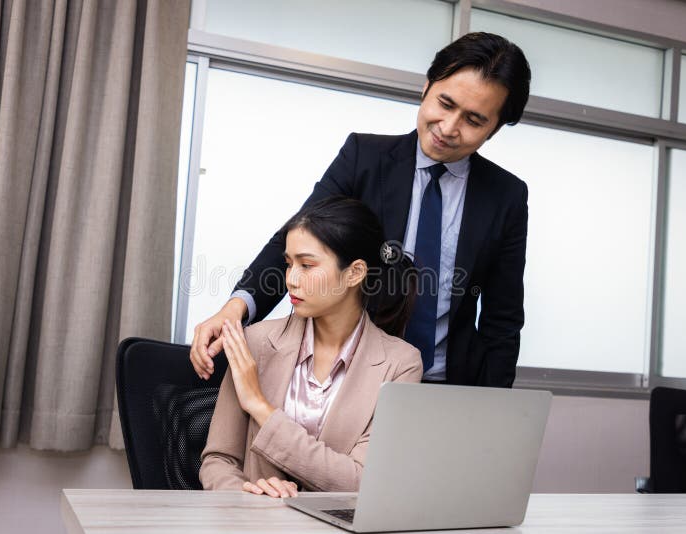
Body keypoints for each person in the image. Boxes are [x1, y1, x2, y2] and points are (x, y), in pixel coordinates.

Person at [192, 32, 531, 387]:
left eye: (474, 121)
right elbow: (294, 244)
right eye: (445, 104)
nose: (448, 128)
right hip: (348, 377)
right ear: (427, 86)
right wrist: (236, 310)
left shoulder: (505, 196)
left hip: (445, 387)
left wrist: (493, 408)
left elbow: (502, 320)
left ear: (494, 129)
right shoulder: (363, 158)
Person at [199, 197, 422, 496]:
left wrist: (260, 406)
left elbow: (362, 484)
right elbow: (218, 460)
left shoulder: (401, 364)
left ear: (355, 273)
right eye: (289, 264)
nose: (290, 279)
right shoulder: (255, 341)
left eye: (306, 265)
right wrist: (249, 496)